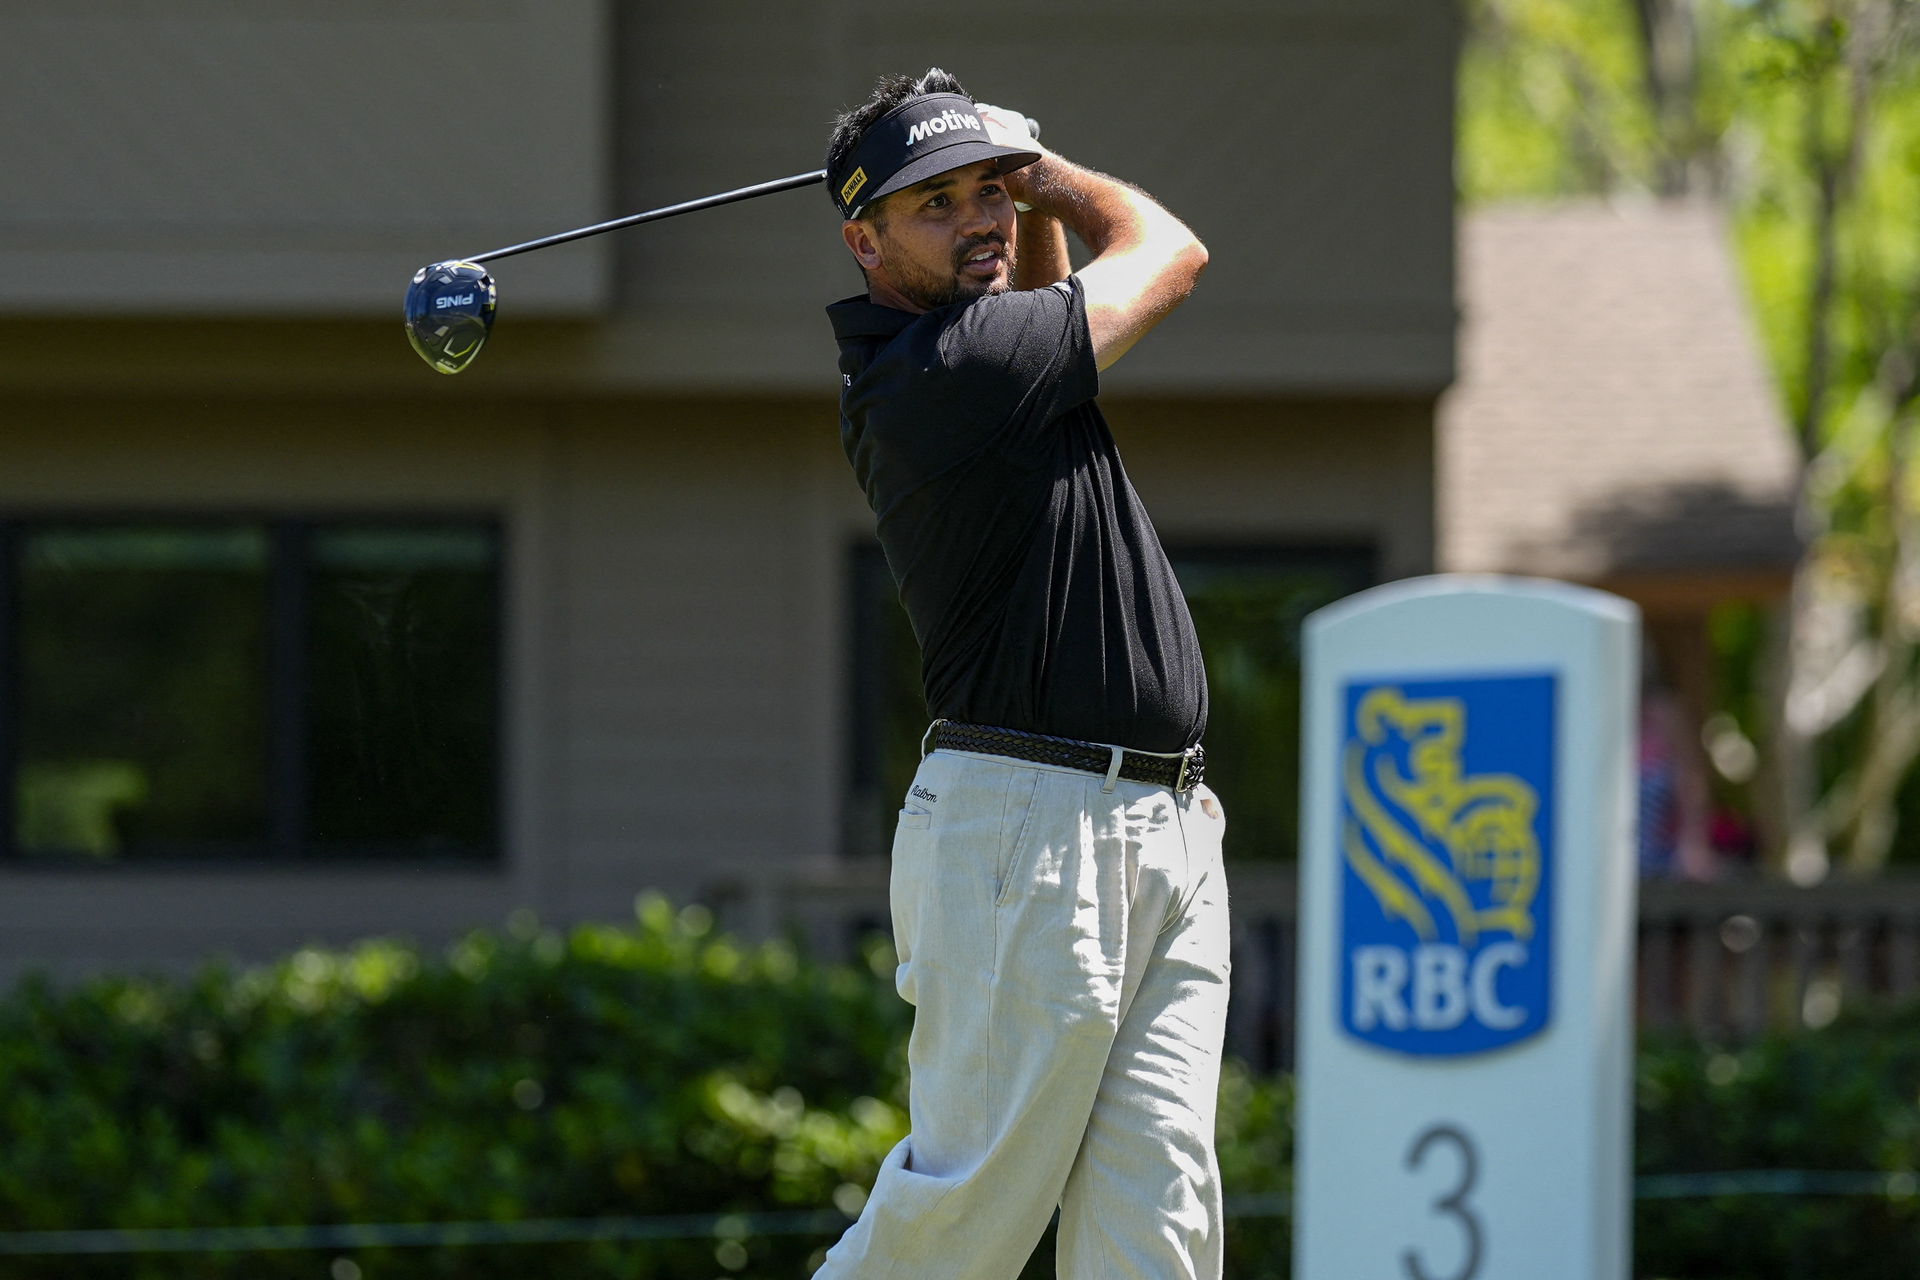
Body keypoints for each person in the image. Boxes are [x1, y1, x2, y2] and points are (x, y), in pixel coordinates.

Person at [818, 68, 1229, 1280]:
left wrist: (1006, 184)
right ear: (866, 241)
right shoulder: (943, 373)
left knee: (1156, 1227)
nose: (981, 217)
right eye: (935, 203)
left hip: (1158, 823)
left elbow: (1052, 291)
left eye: (986, 193)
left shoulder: (1002, 351)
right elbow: (1168, 246)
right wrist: (1038, 165)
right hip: (1032, 834)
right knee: (966, 1219)